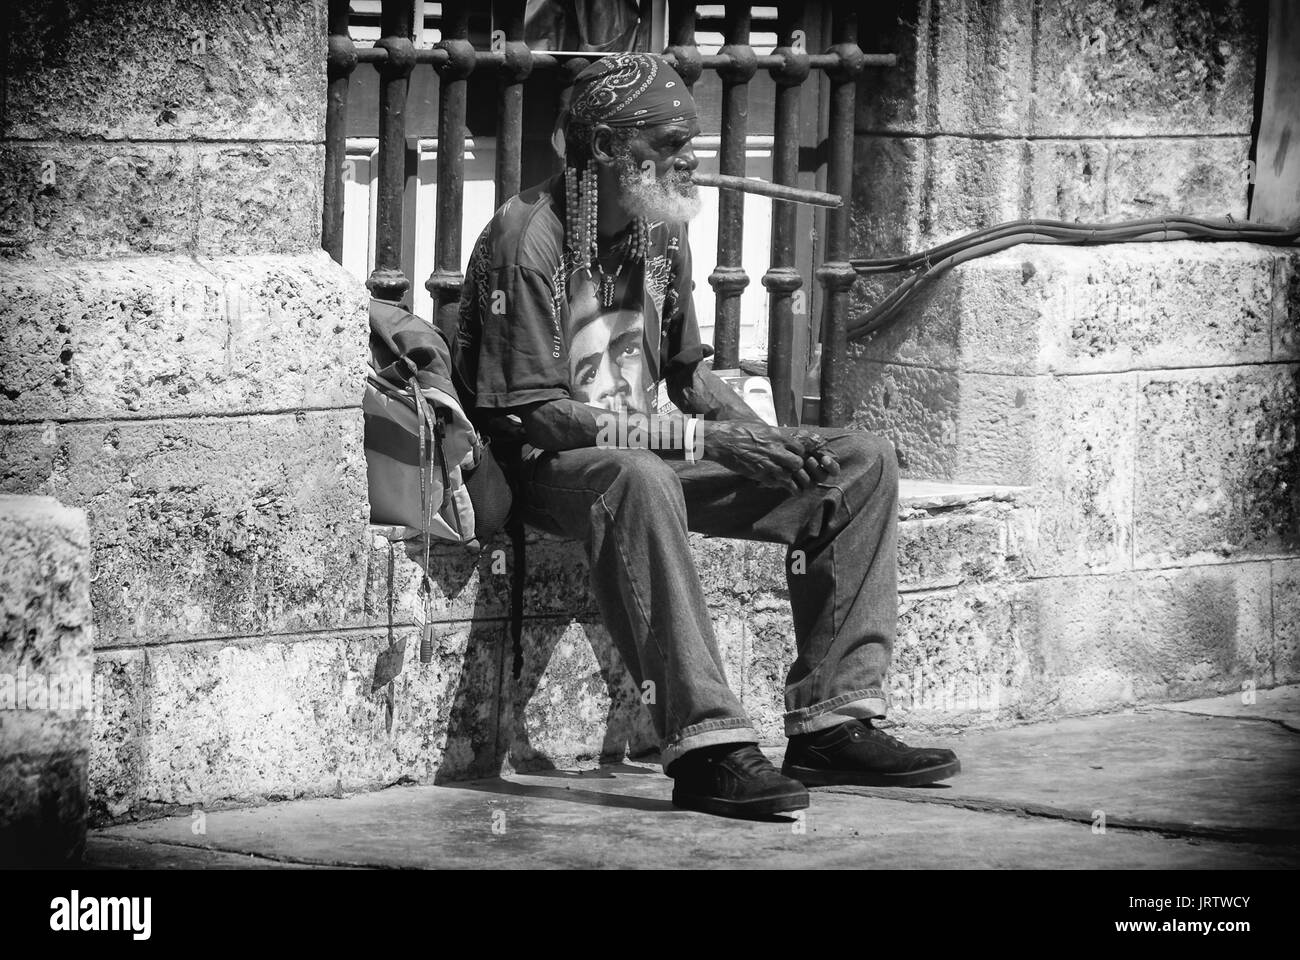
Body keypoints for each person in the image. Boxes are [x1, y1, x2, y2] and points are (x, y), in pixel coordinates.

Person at [451, 52, 960, 820]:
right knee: (636, 474)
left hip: (651, 456)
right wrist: (709, 443)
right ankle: (705, 745)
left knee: (859, 463)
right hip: (549, 471)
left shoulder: (658, 235)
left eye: (690, 138)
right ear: (607, 152)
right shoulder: (529, 241)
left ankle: (832, 721)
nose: (690, 156)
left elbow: (689, 377)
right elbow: (542, 417)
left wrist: (774, 444)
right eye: (667, 140)